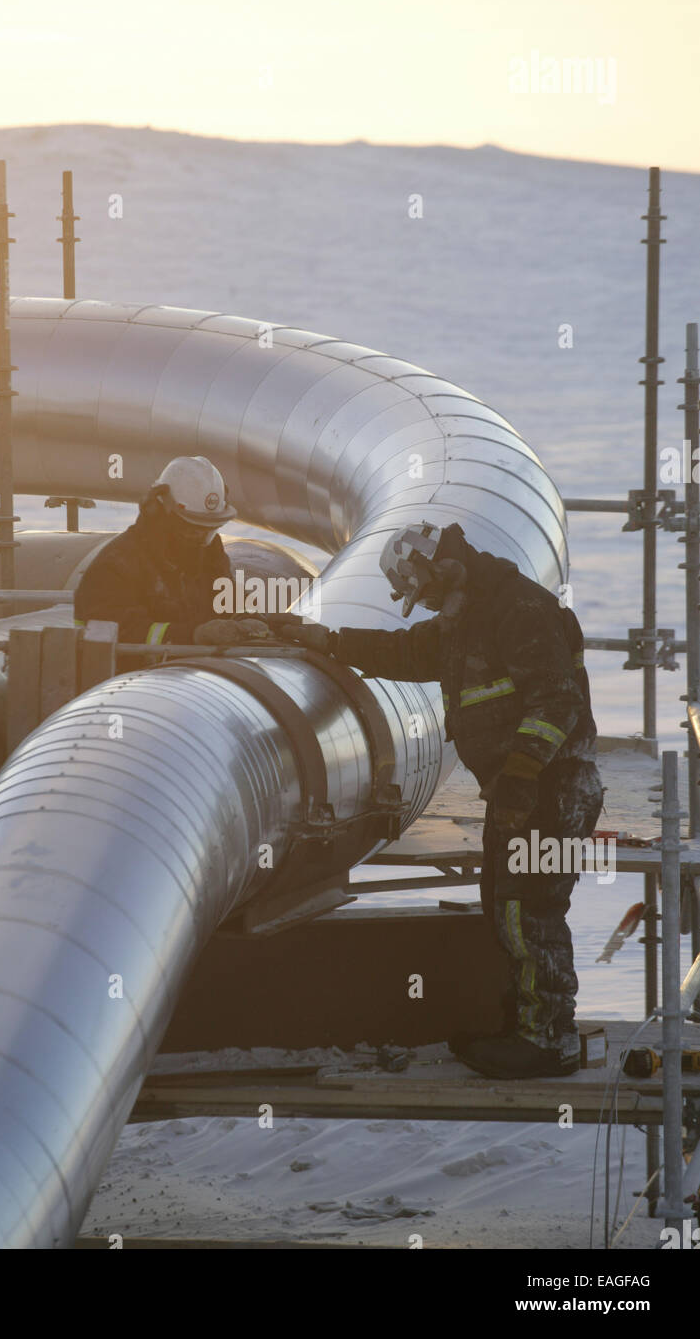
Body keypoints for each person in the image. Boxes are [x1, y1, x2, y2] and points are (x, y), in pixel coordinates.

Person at [279, 521, 603, 1079]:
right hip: (519, 792)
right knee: (505, 904)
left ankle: (549, 1041)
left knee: (530, 909)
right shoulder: (463, 620)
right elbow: (404, 652)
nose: (424, 604)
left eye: (423, 592)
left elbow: (556, 701)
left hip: (551, 790)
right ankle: (523, 1024)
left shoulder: (517, 610)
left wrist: (521, 782)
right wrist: (324, 641)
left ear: (442, 566)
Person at [73, 456, 271, 655]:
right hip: (132, 678)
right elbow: (120, 634)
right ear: (160, 512)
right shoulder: (116, 565)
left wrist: (251, 618)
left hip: (193, 671)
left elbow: (225, 596)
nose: (201, 538)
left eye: (210, 529)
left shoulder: (206, 549)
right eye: (191, 528)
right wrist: (193, 635)